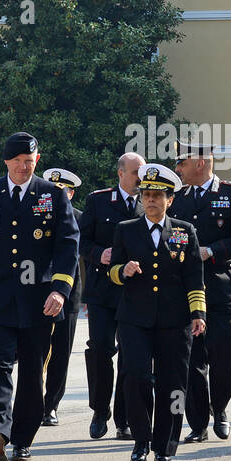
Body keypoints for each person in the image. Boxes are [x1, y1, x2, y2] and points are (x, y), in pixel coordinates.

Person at [0, 132, 79, 461]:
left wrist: (60, 289)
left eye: (30, 162)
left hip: (39, 301)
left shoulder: (53, 195)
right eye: (18, 162)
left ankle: (23, 438)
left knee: (31, 373)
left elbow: (68, 245)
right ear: (6, 162)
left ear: (36, 161)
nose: (24, 167)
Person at [108, 163, 207, 461]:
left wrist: (198, 312)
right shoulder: (126, 230)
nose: (150, 199)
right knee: (136, 377)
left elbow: (194, 275)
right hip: (134, 320)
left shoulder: (184, 231)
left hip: (174, 321)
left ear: (170, 199)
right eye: (146, 194)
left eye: (156, 195)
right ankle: (141, 441)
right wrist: (122, 271)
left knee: (172, 383)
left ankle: (165, 444)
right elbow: (111, 272)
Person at [170, 140, 231, 442]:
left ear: (200, 163)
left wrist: (211, 251)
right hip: (187, 289)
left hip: (221, 287)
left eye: (182, 163)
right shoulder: (177, 198)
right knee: (192, 357)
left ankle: (220, 408)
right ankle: (198, 423)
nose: (178, 168)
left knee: (224, 352)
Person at [79, 152, 144, 440]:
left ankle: (124, 418)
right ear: (121, 173)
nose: (140, 179)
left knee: (131, 356)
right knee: (100, 351)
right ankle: (99, 409)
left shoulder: (150, 201)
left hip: (136, 292)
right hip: (102, 291)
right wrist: (97, 254)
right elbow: (80, 240)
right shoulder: (99, 200)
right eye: (135, 173)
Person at [41, 168, 84, 427]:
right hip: (38, 290)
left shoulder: (81, 218)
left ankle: (51, 406)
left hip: (68, 294)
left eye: (63, 191)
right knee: (36, 350)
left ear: (71, 192)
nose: (58, 195)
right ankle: (32, 401)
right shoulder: (36, 214)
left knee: (60, 353)